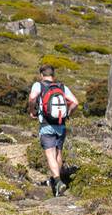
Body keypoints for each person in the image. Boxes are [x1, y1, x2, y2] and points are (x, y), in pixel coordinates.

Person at [27, 64, 78, 196]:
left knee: (50, 154)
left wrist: (32, 110)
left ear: (41, 75)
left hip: (46, 125)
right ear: (53, 75)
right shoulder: (62, 87)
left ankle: (57, 181)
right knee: (58, 154)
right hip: (61, 125)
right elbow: (75, 102)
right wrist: (67, 114)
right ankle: (57, 183)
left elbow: (32, 98)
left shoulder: (38, 85)